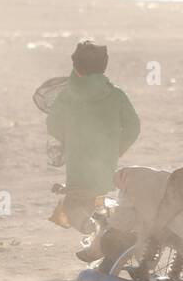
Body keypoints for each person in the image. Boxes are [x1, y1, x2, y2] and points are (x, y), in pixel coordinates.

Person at [47, 40, 141, 243]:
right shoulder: (116, 95)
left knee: (74, 208)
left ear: (76, 67)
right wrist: (116, 149)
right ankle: (105, 239)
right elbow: (133, 127)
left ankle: (101, 233)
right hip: (106, 164)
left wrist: (70, 140)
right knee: (94, 200)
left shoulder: (67, 96)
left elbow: (52, 124)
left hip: (78, 165)